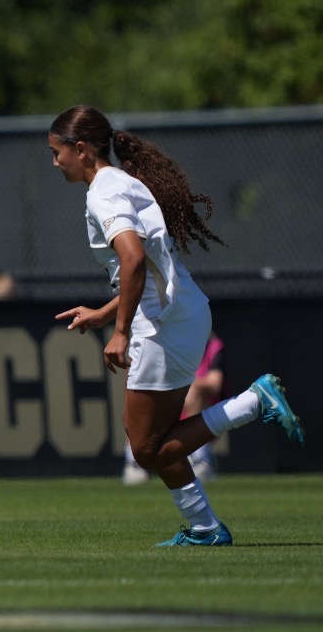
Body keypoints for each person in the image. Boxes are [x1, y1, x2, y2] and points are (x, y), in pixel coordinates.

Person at [49, 105, 305, 546]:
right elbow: (144, 269)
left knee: (145, 447)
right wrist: (104, 313)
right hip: (182, 312)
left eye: (57, 153)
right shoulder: (122, 182)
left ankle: (252, 402)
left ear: (81, 149)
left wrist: (121, 331)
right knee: (152, 443)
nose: (56, 163)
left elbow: (131, 260)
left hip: (161, 324)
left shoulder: (103, 192)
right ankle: (205, 528)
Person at [121, 334, 224, 486]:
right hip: (165, 413)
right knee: (137, 393)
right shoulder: (162, 344)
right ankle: (133, 463)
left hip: (202, 416)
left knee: (193, 389)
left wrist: (187, 384)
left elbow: (215, 384)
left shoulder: (213, 346)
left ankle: (199, 459)